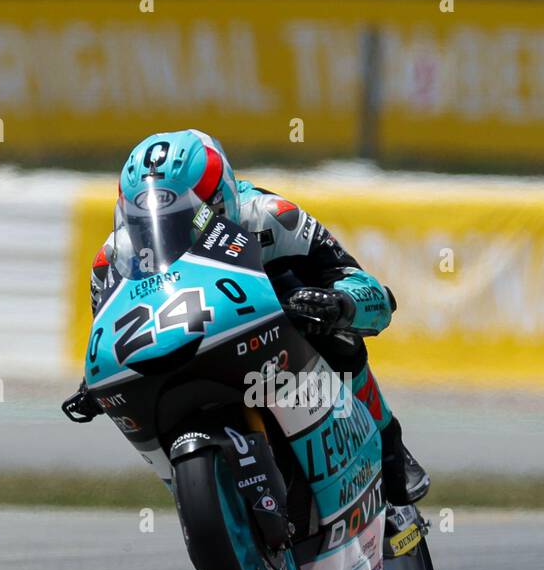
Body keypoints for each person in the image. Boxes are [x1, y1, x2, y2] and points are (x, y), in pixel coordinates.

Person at [78, 129, 428, 504]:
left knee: (339, 336)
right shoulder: (111, 260)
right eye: (148, 221)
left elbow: (373, 295)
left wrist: (338, 303)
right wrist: (94, 385)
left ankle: (389, 442)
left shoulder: (272, 216)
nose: (166, 232)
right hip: (189, 345)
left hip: (278, 338)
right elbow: (109, 332)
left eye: (186, 219)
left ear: (221, 199)